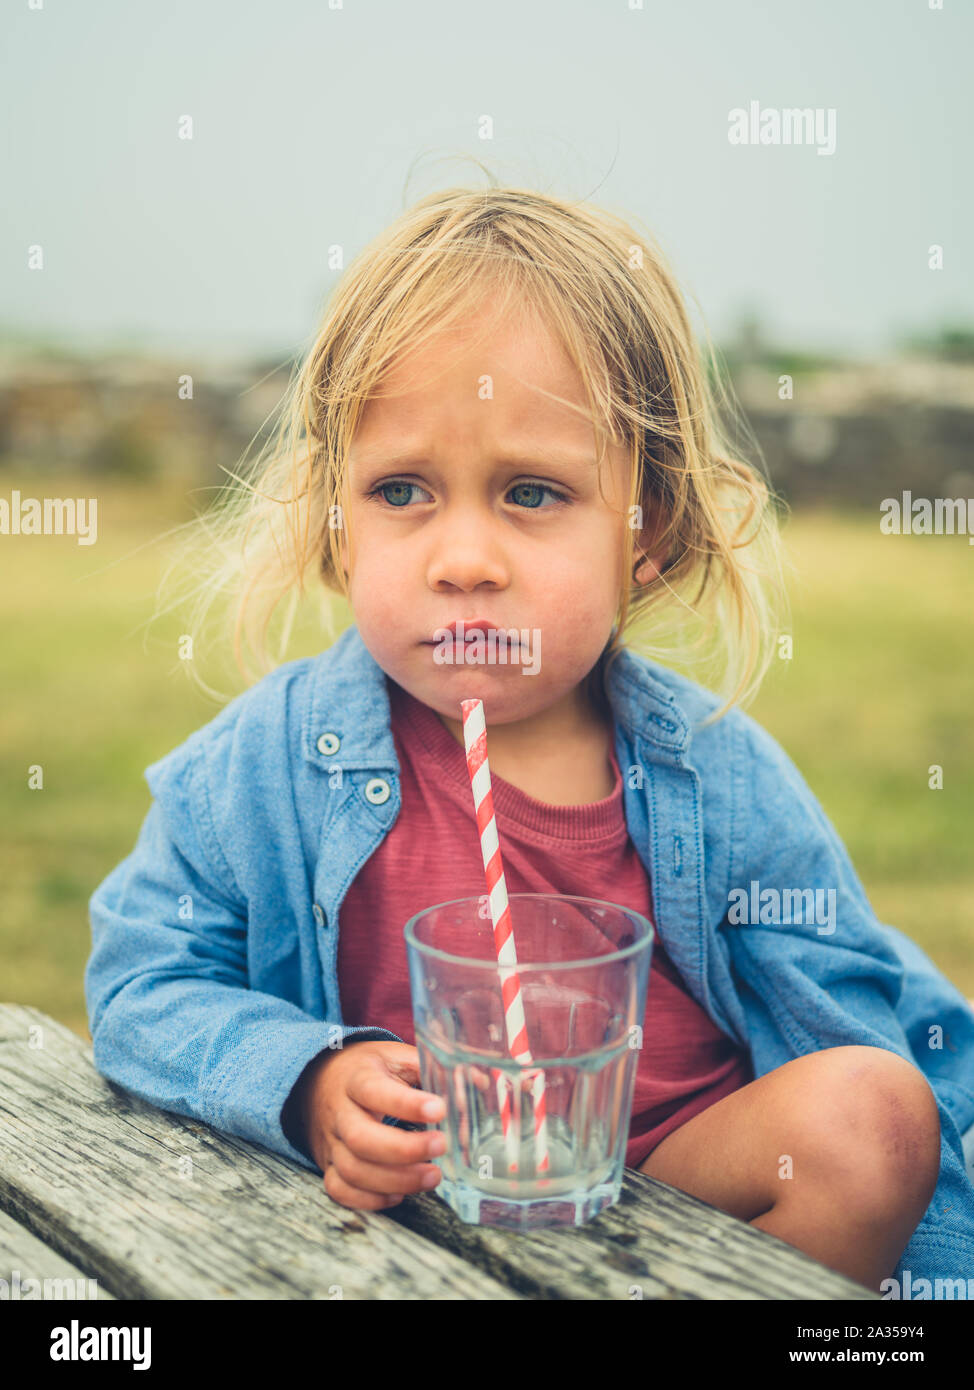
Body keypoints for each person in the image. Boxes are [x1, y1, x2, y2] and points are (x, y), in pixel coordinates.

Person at [86, 184, 974, 1296]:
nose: (463, 557)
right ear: (334, 521)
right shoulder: (268, 762)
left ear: (646, 534)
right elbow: (140, 981)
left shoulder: (721, 779)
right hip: (416, 1224)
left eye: (531, 492)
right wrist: (306, 1084)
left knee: (870, 1119)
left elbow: (861, 1032)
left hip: (678, 1187)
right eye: (400, 489)